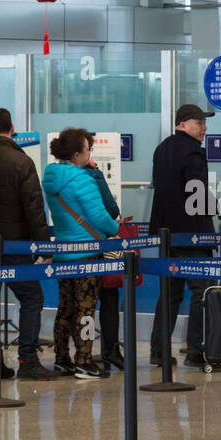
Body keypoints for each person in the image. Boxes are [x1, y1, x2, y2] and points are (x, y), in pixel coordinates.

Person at [0, 107, 56, 382]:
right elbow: (34, 207)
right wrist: (44, 247)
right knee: (32, 297)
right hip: (15, 245)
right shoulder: (20, 161)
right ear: (11, 127)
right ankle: (28, 358)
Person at [42, 128, 120, 379]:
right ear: (77, 154)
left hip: (64, 251)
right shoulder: (82, 179)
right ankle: (84, 361)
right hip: (86, 252)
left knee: (65, 308)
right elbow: (98, 216)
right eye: (88, 149)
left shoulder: (52, 176)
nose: (91, 153)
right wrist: (115, 227)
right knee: (86, 309)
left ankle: (62, 359)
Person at [148, 104, 215, 369]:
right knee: (203, 289)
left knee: (170, 292)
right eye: (200, 122)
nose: (204, 127)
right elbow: (196, 192)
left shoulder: (162, 148)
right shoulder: (193, 152)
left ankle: (159, 351)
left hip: (167, 233)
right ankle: (196, 351)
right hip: (192, 234)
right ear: (184, 123)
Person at [81, 129, 125, 372]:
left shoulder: (56, 176)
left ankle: (75, 356)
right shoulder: (90, 174)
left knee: (78, 304)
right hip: (99, 243)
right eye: (89, 148)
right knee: (108, 299)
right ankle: (110, 351)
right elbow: (110, 209)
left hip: (72, 247)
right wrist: (96, 173)